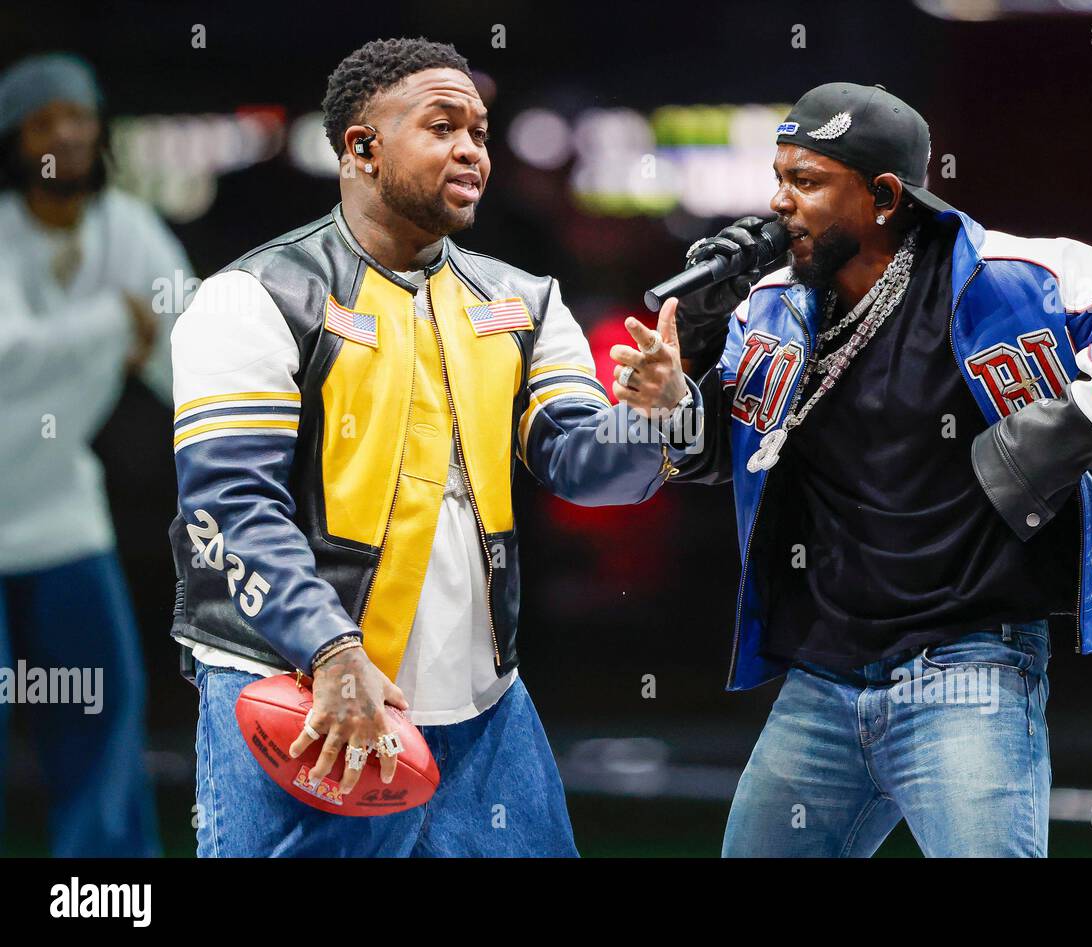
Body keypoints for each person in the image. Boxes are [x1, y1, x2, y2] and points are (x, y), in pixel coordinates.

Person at [614, 82, 1092, 857]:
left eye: (805, 181)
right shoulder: (769, 307)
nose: (777, 203)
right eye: (778, 178)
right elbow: (720, 452)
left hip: (969, 673)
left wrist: (1063, 431)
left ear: (883, 195)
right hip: (822, 682)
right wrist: (672, 401)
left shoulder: (1021, 276)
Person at [170, 37, 700, 857]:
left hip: (485, 711)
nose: (471, 151)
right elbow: (230, 510)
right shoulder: (249, 298)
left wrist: (661, 417)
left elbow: (584, 466)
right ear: (362, 147)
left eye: (480, 132)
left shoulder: (524, 300)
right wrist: (333, 651)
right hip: (310, 693)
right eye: (442, 125)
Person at [0, 52, 187, 856]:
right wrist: (115, 324)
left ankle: (104, 888)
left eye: (78, 117)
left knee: (102, 707)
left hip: (63, 516)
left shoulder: (130, 230)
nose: (66, 135)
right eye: (44, 122)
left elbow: (192, 357)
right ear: (14, 141)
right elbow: (11, 355)